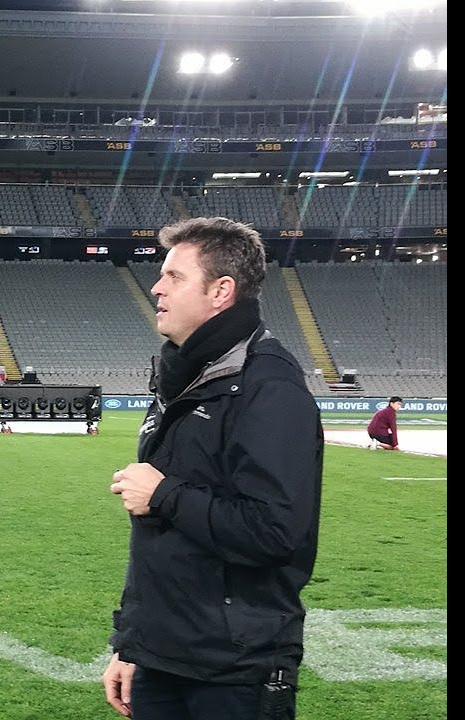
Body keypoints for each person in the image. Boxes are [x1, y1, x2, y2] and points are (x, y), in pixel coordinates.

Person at [102, 217, 323, 720]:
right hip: (163, 656)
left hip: (234, 669)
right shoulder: (183, 375)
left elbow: (273, 532)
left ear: (221, 290)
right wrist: (130, 643)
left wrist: (164, 495)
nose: (156, 288)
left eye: (174, 276)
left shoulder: (269, 388)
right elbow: (160, 542)